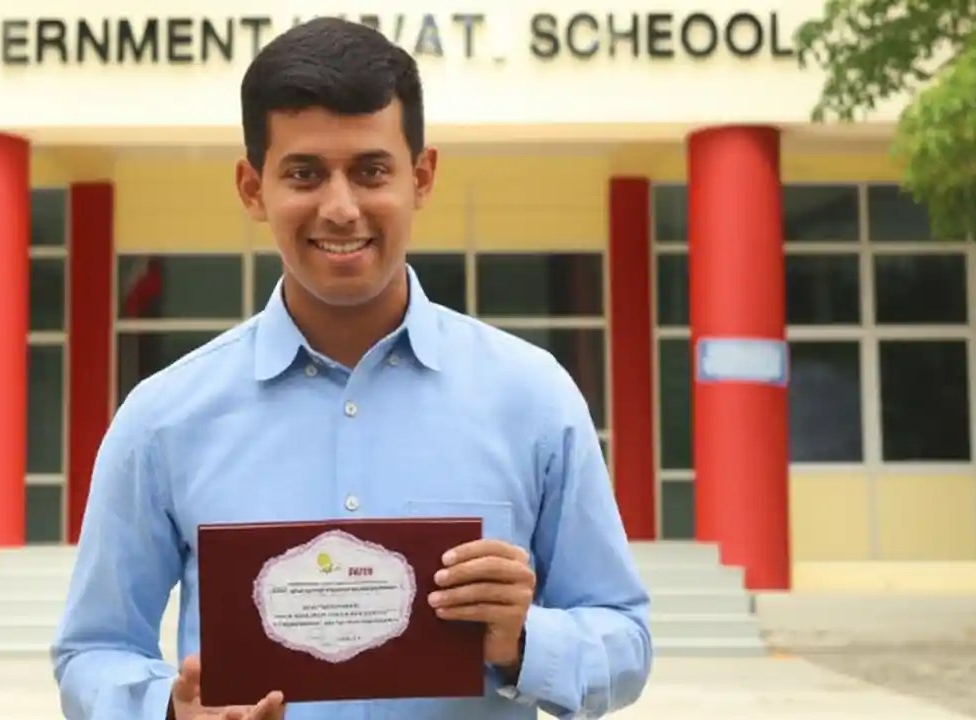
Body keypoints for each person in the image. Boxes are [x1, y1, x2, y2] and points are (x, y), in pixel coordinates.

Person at [51, 16, 652, 720]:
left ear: (421, 177)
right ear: (252, 188)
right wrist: (168, 712)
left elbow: (625, 639)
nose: (340, 209)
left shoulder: (533, 398)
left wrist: (525, 641)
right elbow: (92, 652)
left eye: (371, 171)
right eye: (304, 174)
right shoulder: (162, 420)